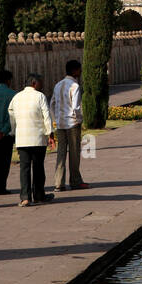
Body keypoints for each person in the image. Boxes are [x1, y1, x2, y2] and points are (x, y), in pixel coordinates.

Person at [8, 72, 55, 206]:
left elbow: (11, 114)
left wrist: (13, 131)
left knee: (25, 168)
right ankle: (39, 196)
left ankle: (25, 197)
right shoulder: (40, 96)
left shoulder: (16, 97)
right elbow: (47, 116)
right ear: (34, 83)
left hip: (22, 138)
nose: (42, 85)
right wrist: (50, 134)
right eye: (41, 82)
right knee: (38, 167)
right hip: (37, 138)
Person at [51, 60, 88, 191]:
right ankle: (75, 181)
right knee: (74, 153)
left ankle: (58, 183)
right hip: (72, 123)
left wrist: (56, 119)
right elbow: (76, 107)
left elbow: (52, 104)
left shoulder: (58, 85)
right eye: (79, 69)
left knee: (61, 153)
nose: (80, 71)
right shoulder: (74, 86)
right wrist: (79, 120)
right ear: (74, 71)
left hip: (60, 124)